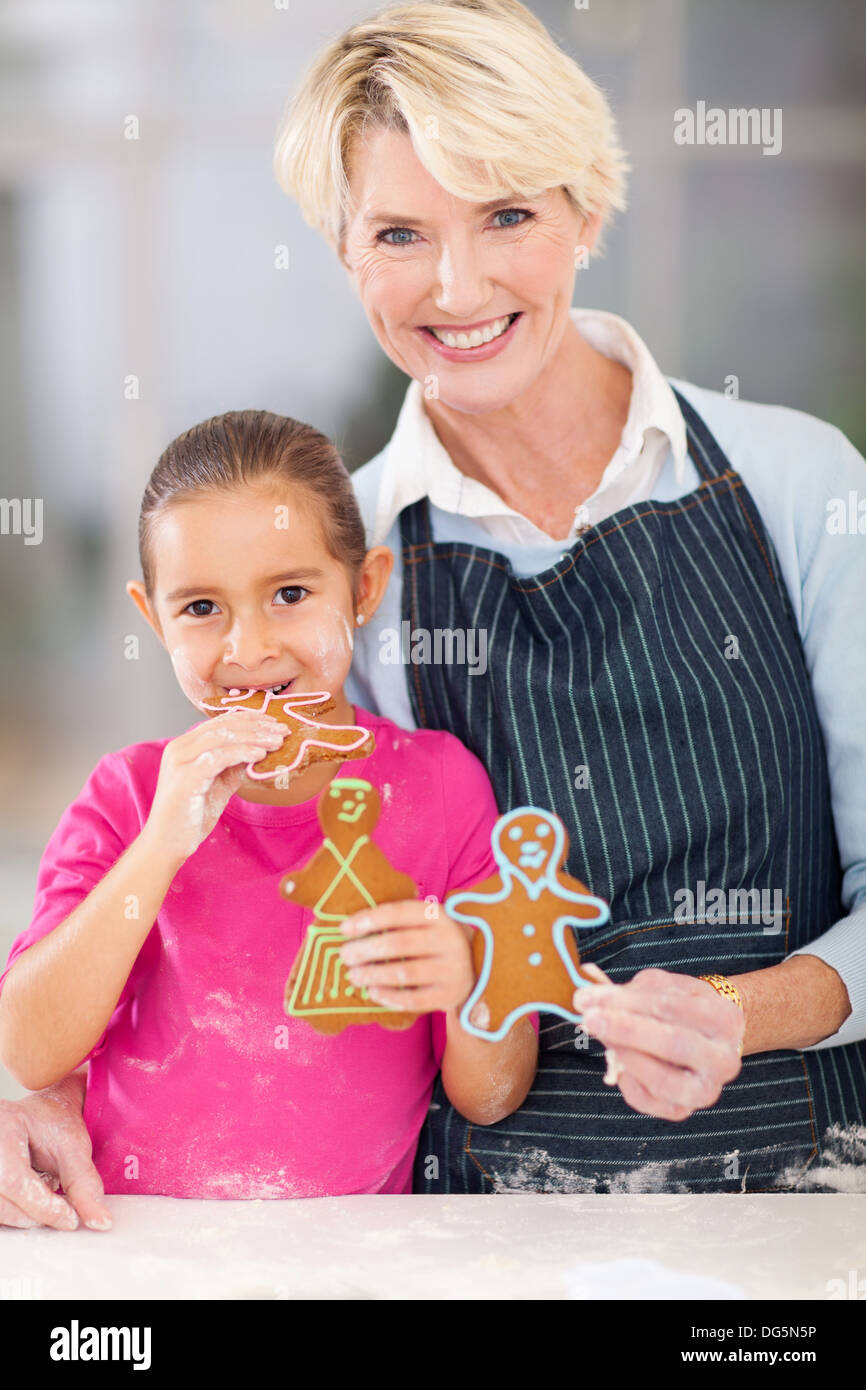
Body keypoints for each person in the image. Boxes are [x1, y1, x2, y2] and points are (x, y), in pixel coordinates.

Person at [2, 0, 863, 1215]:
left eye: (506, 212)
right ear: (345, 249)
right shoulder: (328, 567)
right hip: (470, 1222)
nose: (456, 285)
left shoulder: (796, 486)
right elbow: (220, 923)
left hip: (802, 1196)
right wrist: (41, 1093)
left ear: (584, 210)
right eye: (399, 232)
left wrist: (738, 1009)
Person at [0, 409, 537, 1220]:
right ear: (152, 618)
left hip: (349, 1259)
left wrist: (469, 983)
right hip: (140, 1246)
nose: (248, 650)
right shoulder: (128, 796)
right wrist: (158, 848)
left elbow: (492, 1098)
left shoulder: (441, 788)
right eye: (201, 608)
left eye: (289, 594)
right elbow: (31, 1051)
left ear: (362, 590)